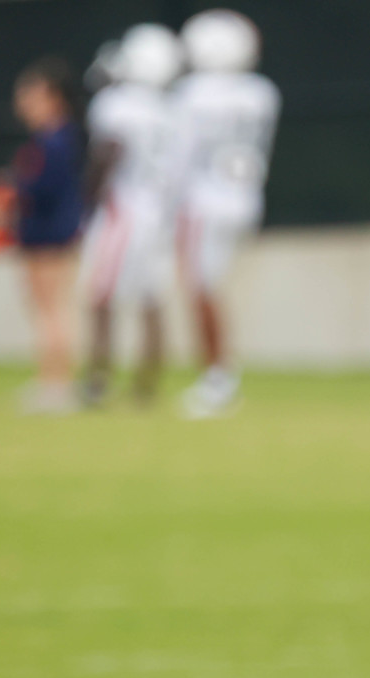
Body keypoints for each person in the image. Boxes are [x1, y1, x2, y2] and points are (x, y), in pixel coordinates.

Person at [171, 9, 280, 418]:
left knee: (201, 288)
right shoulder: (261, 92)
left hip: (203, 199)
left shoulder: (191, 94)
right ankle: (218, 375)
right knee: (210, 287)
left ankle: (217, 378)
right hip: (244, 195)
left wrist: (171, 207)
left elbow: (181, 156)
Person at [80, 24, 183, 406]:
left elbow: (109, 152)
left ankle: (97, 379)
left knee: (101, 294)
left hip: (124, 208)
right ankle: (146, 383)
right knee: (150, 296)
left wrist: (88, 199)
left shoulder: (115, 103)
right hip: (158, 210)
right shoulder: (173, 109)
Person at [12, 55, 84, 413]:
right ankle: (51, 379)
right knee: (46, 308)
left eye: (32, 96)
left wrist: (12, 190)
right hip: (45, 231)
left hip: (50, 232)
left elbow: (44, 187)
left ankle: (57, 383)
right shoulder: (49, 138)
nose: (24, 104)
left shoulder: (56, 140)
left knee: (51, 309)